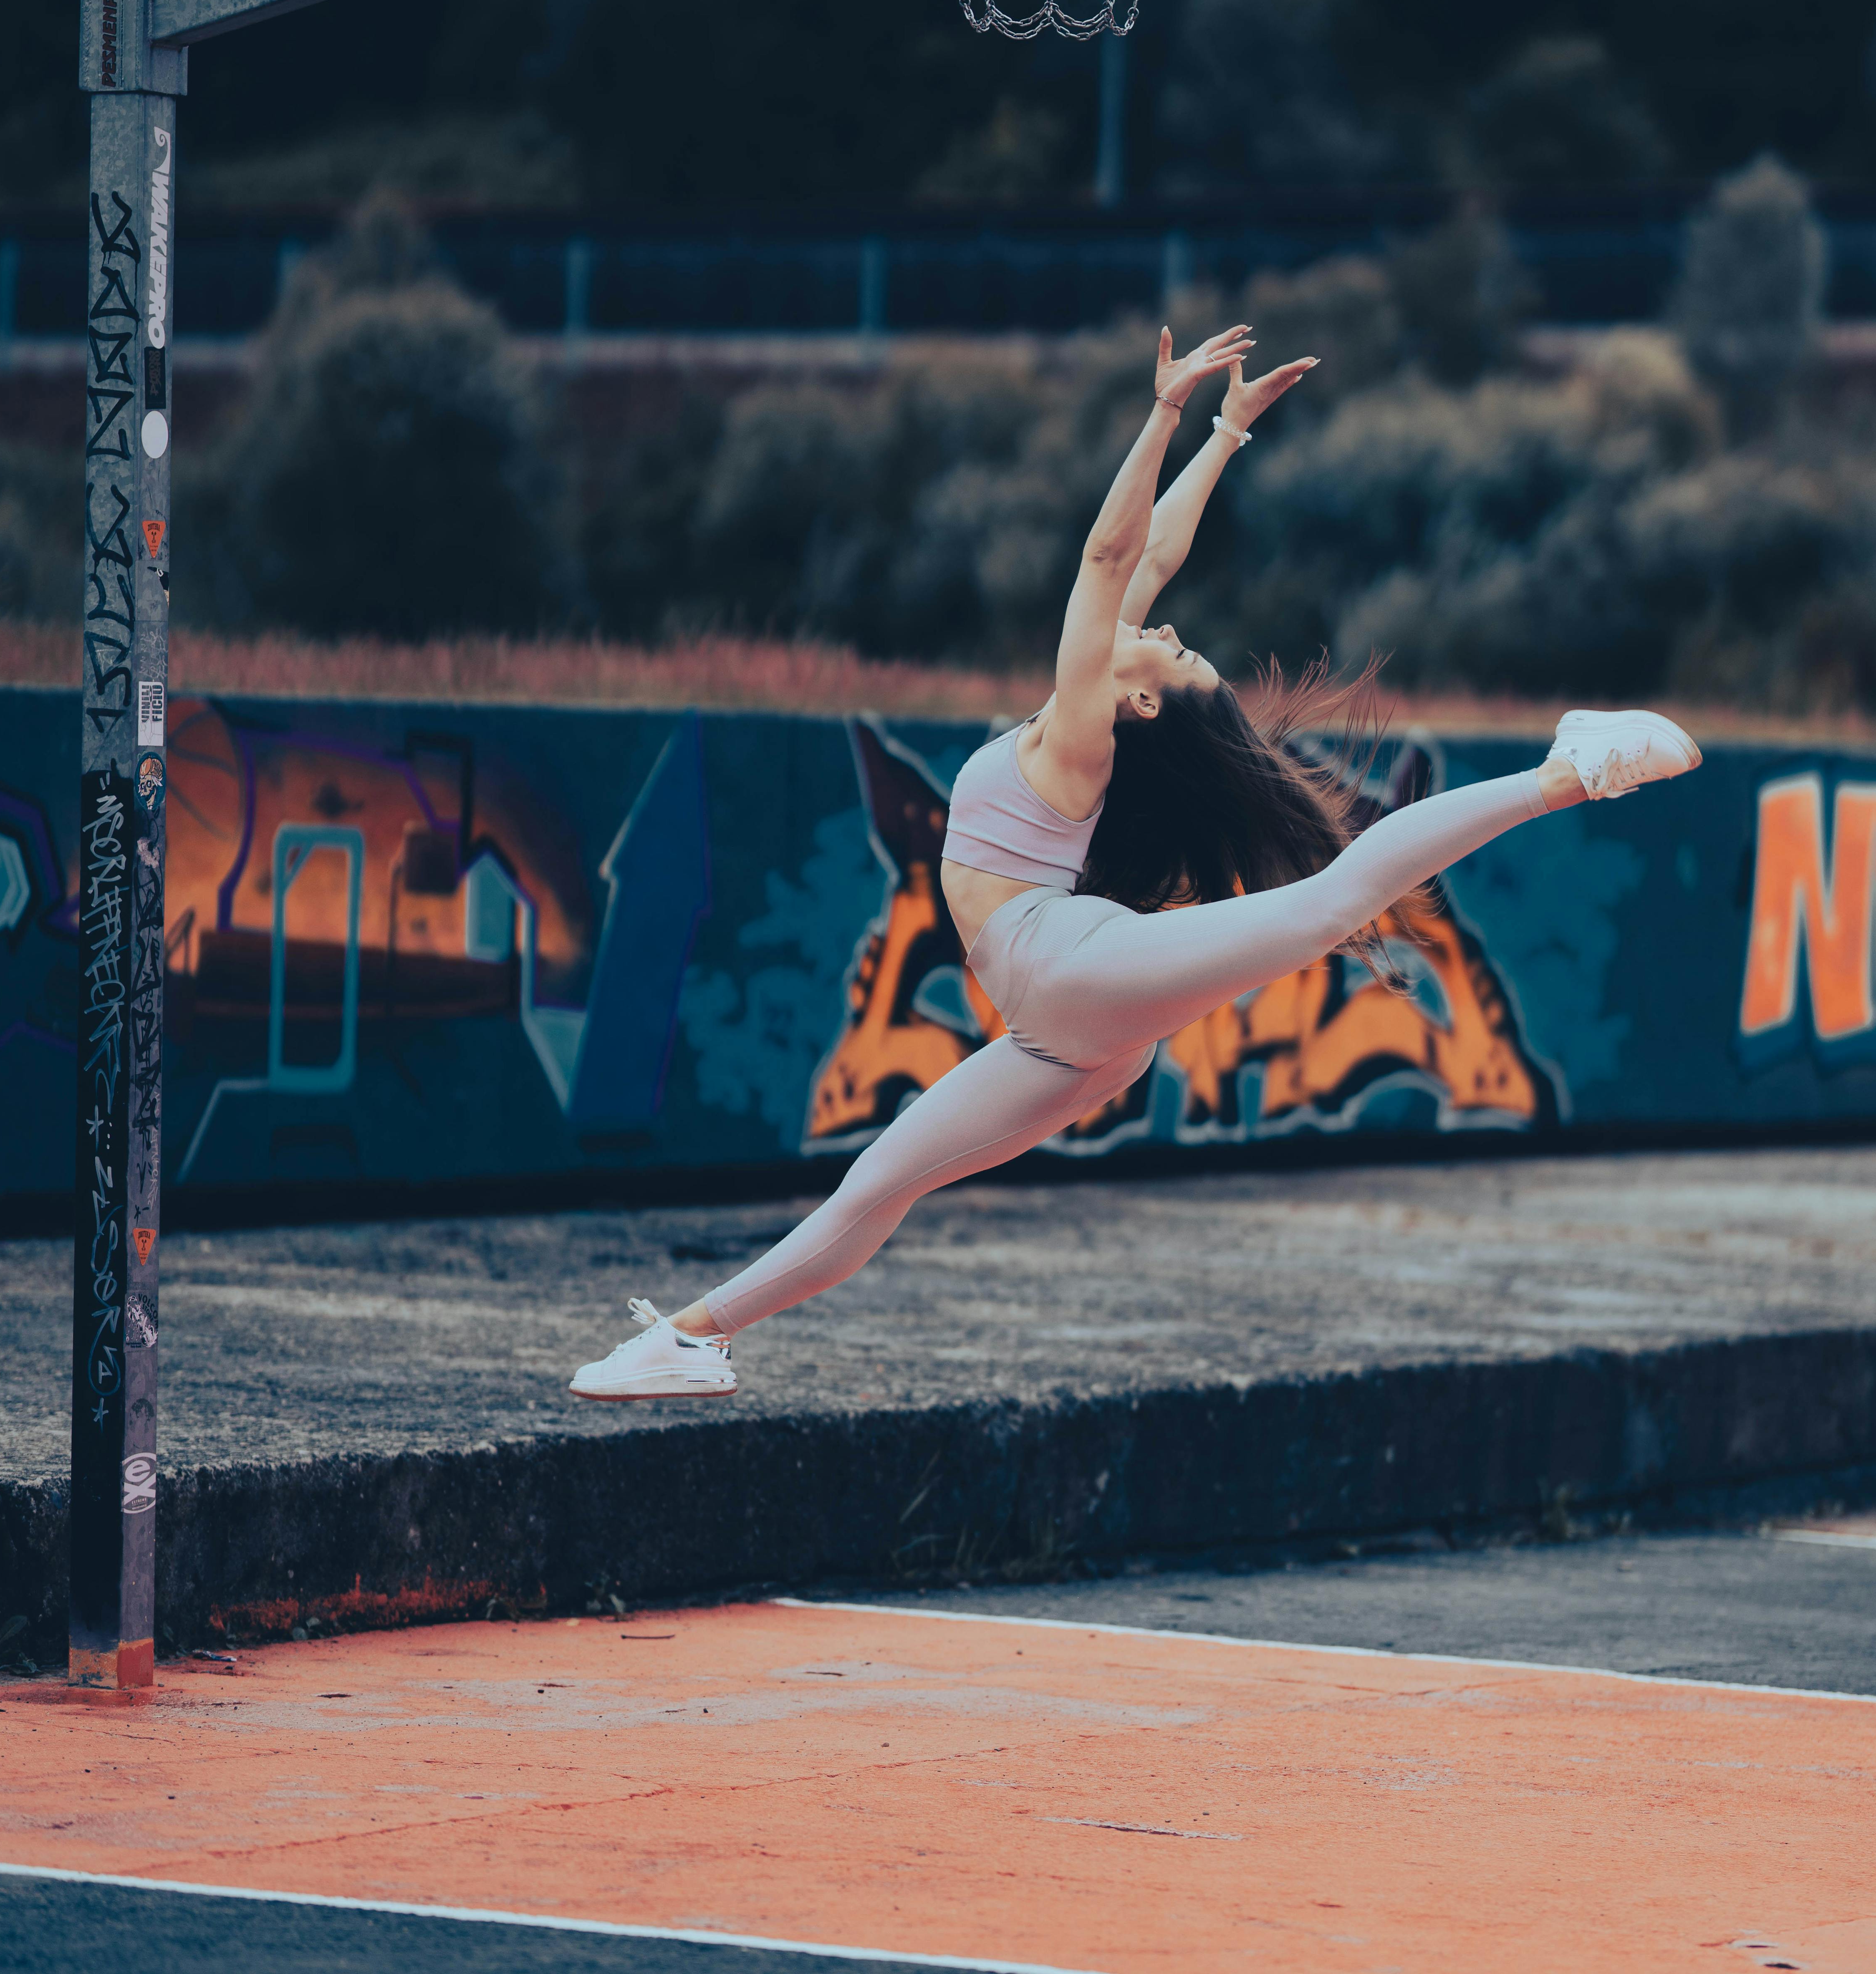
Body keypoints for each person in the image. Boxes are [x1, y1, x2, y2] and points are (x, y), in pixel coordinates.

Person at [571, 321, 1699, 1400]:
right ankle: (690, 1339)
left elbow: (1110, 552)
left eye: (1172, 649)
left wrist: (1161, 414)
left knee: (1329, 903)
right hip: (1065, 1034)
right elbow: (1150, 554)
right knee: (881, 1183)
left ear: (1142, 698)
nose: (1161, 628)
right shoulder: (1091, 708)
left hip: (1063, 972)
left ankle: (1568, 771)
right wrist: (1225, 437)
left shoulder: (1080, 735)